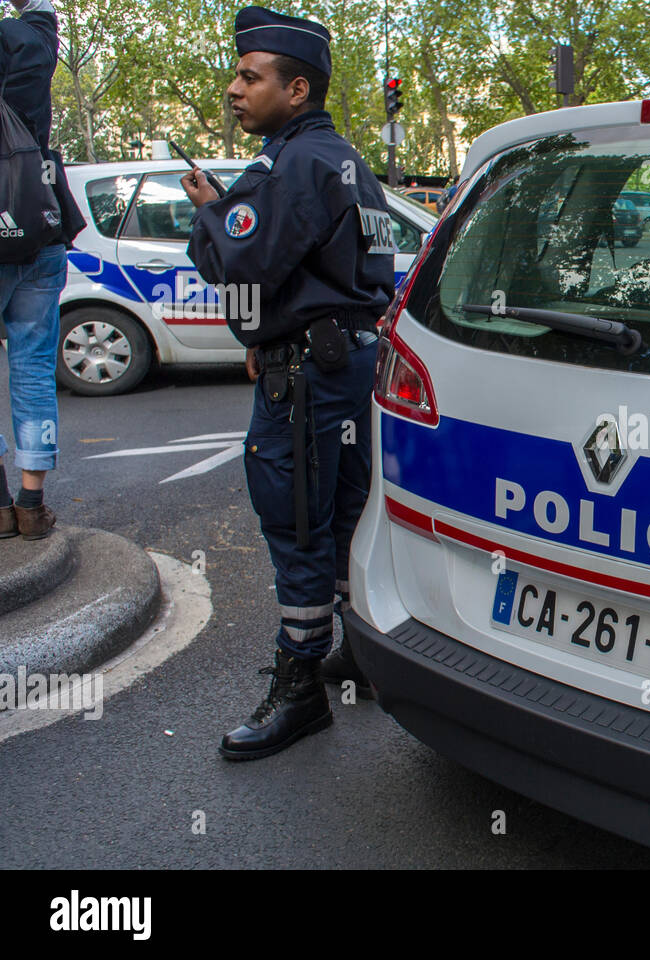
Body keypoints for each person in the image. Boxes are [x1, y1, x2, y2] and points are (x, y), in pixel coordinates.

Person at [182, 5, 394, 760]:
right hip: (344, 365)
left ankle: (301, 691)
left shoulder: (291, 164)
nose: (235, 89)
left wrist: (211, 211)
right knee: (341, 520)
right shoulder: (344, 158)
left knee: (297, 523)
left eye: (250, 76)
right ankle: (360, 658)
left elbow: (243, 264)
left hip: (307, 379)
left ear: (297, 89)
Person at [0, 0, 85, 541]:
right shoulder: (26, 40)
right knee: (32, 369)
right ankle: (31, 503)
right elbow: (41, 23)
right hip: (37, 223)